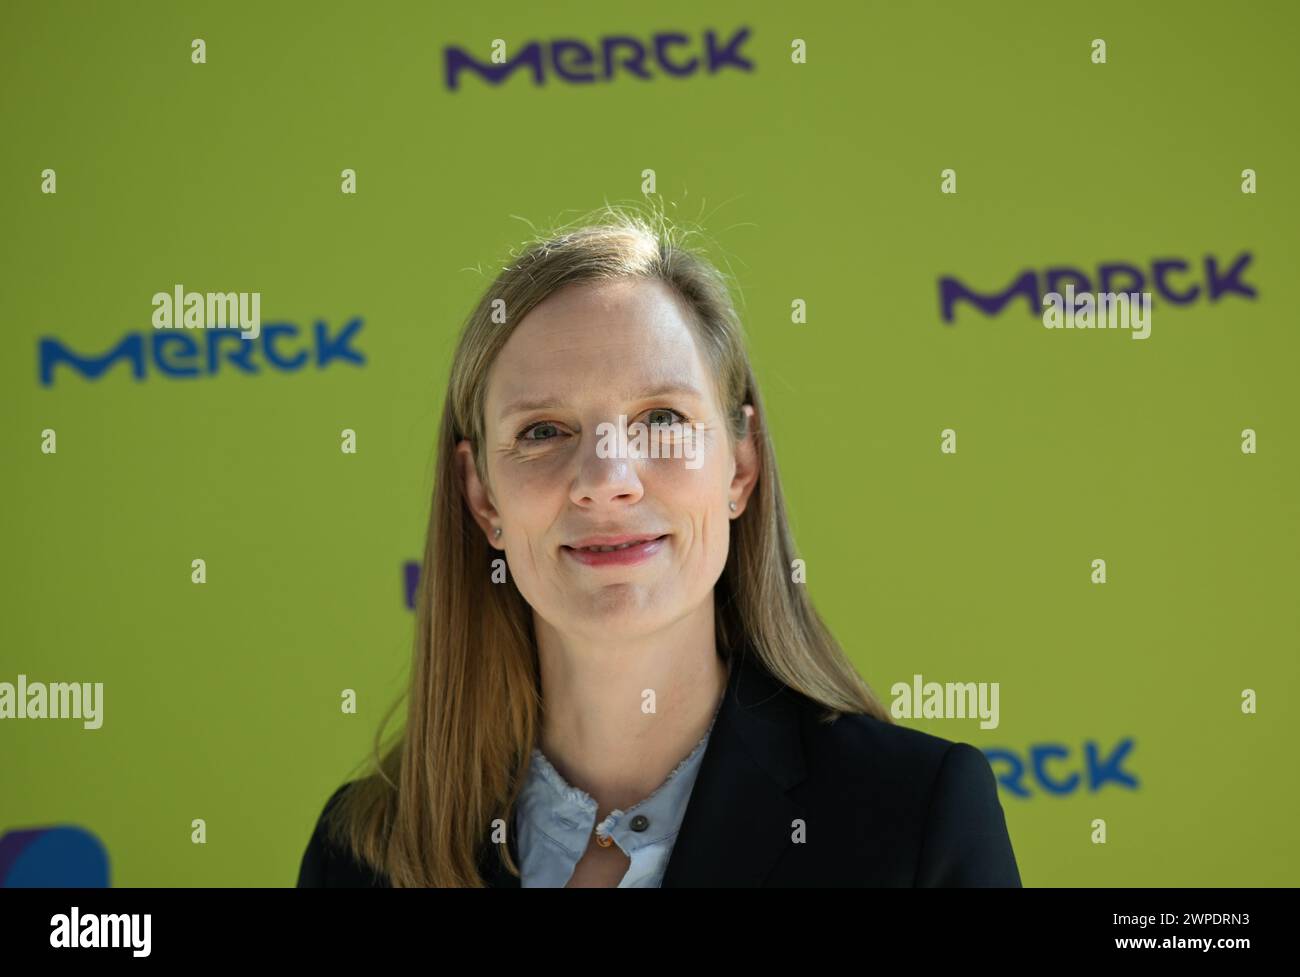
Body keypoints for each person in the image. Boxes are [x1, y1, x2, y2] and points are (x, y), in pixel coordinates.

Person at [296, 204, 1022, 888]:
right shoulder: (362, 852)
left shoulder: (914, 817)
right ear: (482, 495)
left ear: (741, 466)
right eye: (543, 431)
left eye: (662, 418)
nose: (607, 480)